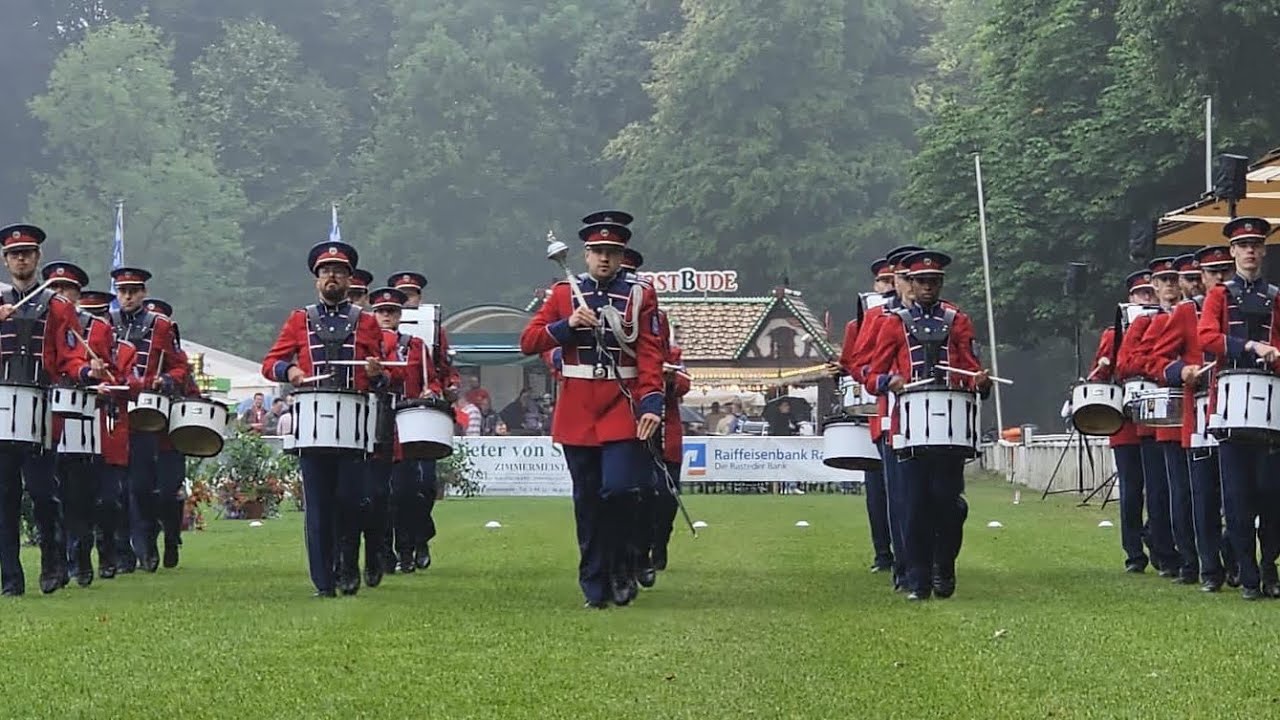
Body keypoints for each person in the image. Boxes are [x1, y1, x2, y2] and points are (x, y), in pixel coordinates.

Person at [519, 209, 664, 609]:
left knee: (619, 490)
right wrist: (567, 325)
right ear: (585, 254)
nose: (605, 259)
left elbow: (651, 354)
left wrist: (651, 402)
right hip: (578, 406)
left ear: (622, 256)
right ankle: (594, 584)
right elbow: (528, 342)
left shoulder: (640, 294)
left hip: (622, 402)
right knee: (587, 500)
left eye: (613, 252)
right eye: (598, 251)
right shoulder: (564, 294)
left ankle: (623, 565)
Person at [261, 240, 392, 597]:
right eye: (325, 272)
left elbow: (385, 377)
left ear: (349, 279)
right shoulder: (299, 319)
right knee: (318, 507)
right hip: (313, 423)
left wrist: (377, 373)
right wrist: (289, 372)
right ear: (316, 280)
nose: (331, 276)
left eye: (338, 271)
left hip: (353, 426)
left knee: (351, 502)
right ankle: (323, 580)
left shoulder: (367, 322)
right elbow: (270, 362)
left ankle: (348, 565)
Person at [863, 250, 991, 601]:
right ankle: (917, 580)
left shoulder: (958, 319)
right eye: (921, 281)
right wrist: (889, 382)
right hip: (907, 427)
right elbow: (871, 374)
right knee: (912, 505)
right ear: (911, 283)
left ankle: (944, 566)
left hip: (950, 427)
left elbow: (969, 365)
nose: (928, 288)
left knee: (948, 504)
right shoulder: (893, 322)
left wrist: (980, 381)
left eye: (934, 281)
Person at [0, 225, 94, 595]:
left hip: (39, 411)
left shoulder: (57, 306)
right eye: (14, 253)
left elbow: (70, 355)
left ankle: (53, 562)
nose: (21, 258)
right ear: (6, 261)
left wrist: (85, 371)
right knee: (4, 498)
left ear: (38, 258)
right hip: (2, 410)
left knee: (43, 494)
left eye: (27, 252)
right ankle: (10, 577)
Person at [1196, 217, 1280, 600]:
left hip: (1270, 406)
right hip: (1230, 404)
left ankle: (1269, 569)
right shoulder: (1219, 295)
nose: (1249, 251)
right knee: (1237, 497)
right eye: (1243, 245)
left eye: (1256, 244)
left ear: (1263, 251)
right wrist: (1249, 347)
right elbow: (1207, 337)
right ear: (1233, 252)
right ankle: (1247, 575)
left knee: (1271, 492)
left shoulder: (1275, 296)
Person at [1148, 246, 1235, 591]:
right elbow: (1158, 358)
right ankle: (1206, 565)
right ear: (1201, 276)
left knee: (1241, 493)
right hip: (1198, 410)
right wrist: (1183, 370)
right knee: (1198, 494)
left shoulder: (1246, 304)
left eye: (1224, 271)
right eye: (1213, 272)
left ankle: (1236, 560)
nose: (1219, 278)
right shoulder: (1187, 312)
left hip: (1238, 406)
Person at [43, 262, 125, 587]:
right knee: (50, 494)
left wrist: (97, 377)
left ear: (77, 296)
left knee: (80, 496)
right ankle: (58, 561)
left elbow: (110, 371)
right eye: (55, 289)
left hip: (82, 420)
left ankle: (83, 555)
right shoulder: (37, 322)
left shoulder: (98, 329)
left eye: (67, 290)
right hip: (46, 416)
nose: (61, 295)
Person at [846, 244, 922, 590]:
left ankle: (932, 560)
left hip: (935, 417)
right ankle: (896, 559)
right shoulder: (876, 317)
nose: (895, 284)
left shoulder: (949, 316)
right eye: (893, 279)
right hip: (891, 417)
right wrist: (883, 381)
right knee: (892, 493)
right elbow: (859, 363)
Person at [108, 267, 188, 574]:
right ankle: (134, 547)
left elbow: (180, 369)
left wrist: (164, 380)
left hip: (150, 417)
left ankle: (156, 537)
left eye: (133, 291)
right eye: (122, 291)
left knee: (152, 488)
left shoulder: (162, 326)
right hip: (118, 413)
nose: (127, 296)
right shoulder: (106, 324)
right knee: (125, 488)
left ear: (143, 293)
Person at [367, 286, 441, 576]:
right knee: (378, 496)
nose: (386, 316)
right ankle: (384, 552)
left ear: (400, 315)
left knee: (409, 493)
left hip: (407, 425)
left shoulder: (415, 346)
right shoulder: (365, 345)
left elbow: (431, 379)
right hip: (375, 424)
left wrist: (429, 391)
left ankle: (409, 549)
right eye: (381, 311)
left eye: (392, 311)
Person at [1135, 257, 1198, 585]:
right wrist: (1174, 368)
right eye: (1168, 280)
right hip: (1170, 412)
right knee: (1171, 491)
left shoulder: (1199, 313)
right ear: (1156, 286)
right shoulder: (1152, 321)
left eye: (1180, 279)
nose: (1174, 286)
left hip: (1200, 409)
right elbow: (1140, 359)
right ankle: (1173, 554)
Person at [389, 270, 457, 569]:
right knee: (397, 488)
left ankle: (421, 537)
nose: (407, 303)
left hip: (423, 414)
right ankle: (402, 547)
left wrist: (443, 388)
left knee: (426, 484)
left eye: (411, 296)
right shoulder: (378, 334)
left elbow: (442, 369)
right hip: (391, 418)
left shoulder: (431, 332)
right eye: (399, 299)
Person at [1116, 265, 1180, 577]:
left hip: (1182, 412)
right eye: (1161, 282)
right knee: (1143, 489)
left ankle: (1174, 548)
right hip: (1148, 415)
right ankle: (1146, 552)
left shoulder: (1186, 314)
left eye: (1174, 280)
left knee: (1176, 488)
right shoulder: (1138, 323)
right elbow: (1124, 364)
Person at [1091, 270, 1156, 573]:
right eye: (1141, 293)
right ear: (1130, 298)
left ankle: (1156, 539)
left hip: (1156, 417)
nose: (1147, 298)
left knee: (1159, 487)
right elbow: (1100, 377)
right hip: (1126, 423)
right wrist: (1104, 366)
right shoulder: (1112, 334)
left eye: (1150, 292)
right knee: (1132, 490)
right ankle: (1134, 552)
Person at [837, 257, 895, 573]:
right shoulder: (858, 324)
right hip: (871, 410)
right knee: (877, 487)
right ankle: (882, 552)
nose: (886, 289)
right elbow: (850, 364)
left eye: (891, 282)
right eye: (881, 283)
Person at [76, 289, 137, 581]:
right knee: (79, 499)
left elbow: (134, 384)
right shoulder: (72, 348)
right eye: (90, 317)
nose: (98, 324)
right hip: (80, 430)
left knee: (111, 499)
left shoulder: (124, 350)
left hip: (111, 429)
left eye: (101, 315)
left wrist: (115, 384)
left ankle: (109, 549)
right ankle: (80, 557)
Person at [142, 296, 191, 569]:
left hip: (169, 438)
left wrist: (169, 382)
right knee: (142, 491)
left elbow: (189, 387)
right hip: (141, 432)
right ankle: (148, 544)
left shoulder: (176, 358)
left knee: (168, 492)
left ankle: (171, 538)